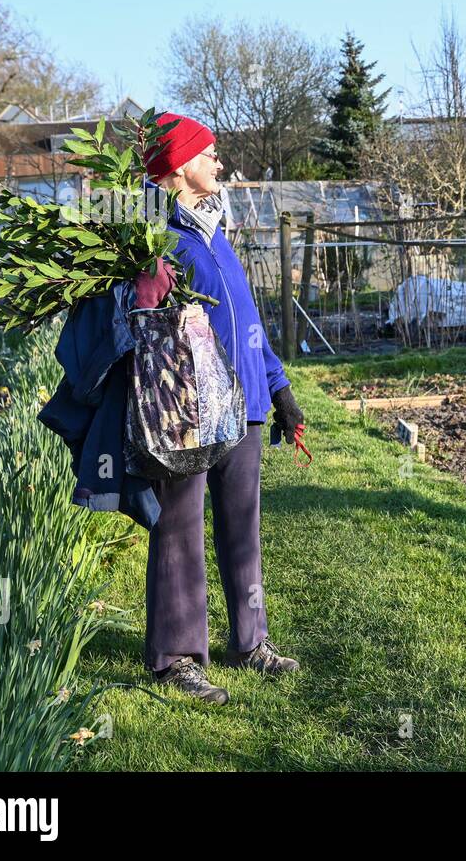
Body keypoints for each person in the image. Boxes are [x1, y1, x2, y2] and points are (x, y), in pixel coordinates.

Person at [136, 112, 305, 703]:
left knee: (243, 529)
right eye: (209, 153)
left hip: (247, 407)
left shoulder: (215, 232)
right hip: (189, 412)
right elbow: (147, 329)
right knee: (179, 530)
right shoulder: (157, 240)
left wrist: (277, 387)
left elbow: (247, 324)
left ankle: (251, 641)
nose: (219, 162)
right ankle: (177, 659)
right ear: (180, 164)